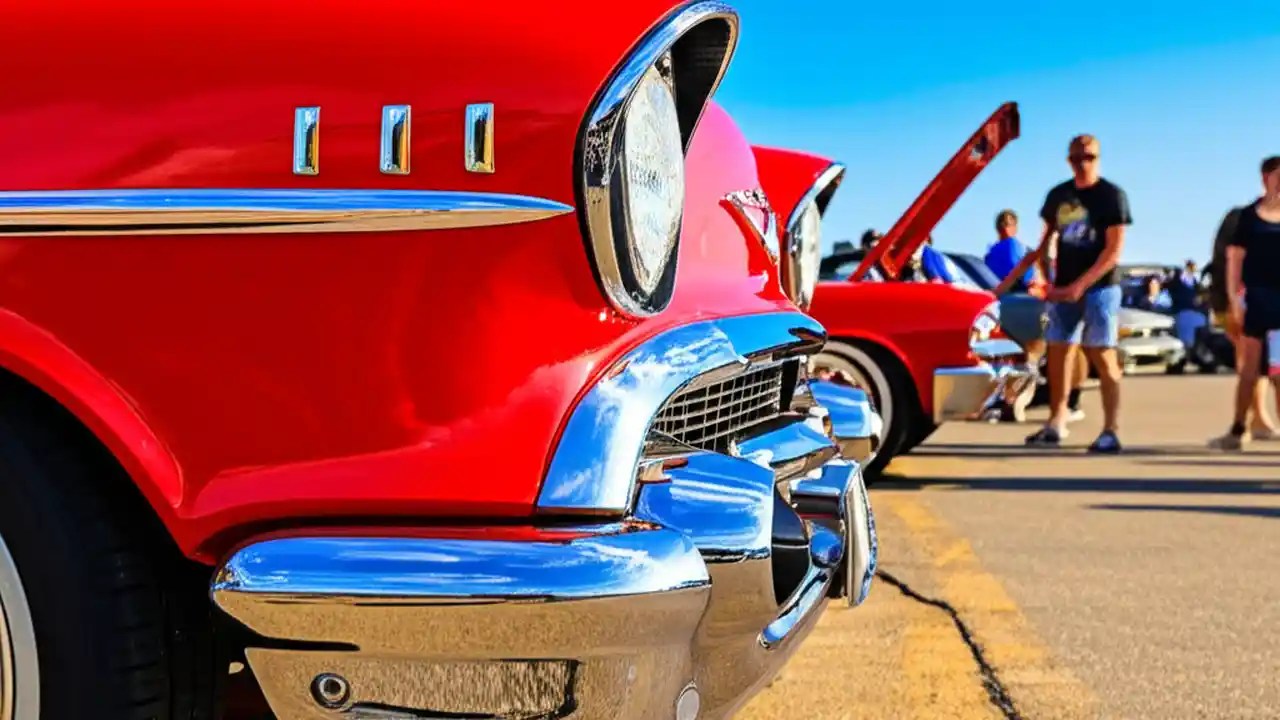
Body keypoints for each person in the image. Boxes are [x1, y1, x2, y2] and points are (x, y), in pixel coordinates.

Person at [1004, 135, 1131, 451]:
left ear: (1098, 158)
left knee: (1101, 351)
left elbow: (1113, 251)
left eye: (1088, 157)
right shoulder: (1059, 195)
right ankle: (1056, 420)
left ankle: (1110, 429)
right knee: (1059, 349)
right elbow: (1044, 242)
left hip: (1101, 285)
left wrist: (1081, 286)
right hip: (1064, 284)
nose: (1082, 163)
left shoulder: (1111, 196)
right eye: (1076, 158)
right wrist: (1043, 279)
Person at [1210, 156, 1280, 449]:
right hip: (1256, 300)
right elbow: (1233, 260)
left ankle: (1265, 423)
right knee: (1249, 369)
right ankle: (1239, 428)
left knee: (1278, 370)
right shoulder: (1247, 217)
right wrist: (1233, 301)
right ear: (1265, 178)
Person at [1167, 259, 1206, 350]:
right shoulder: (1180, 278)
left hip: (1191, 311)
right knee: (1185, 341)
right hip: (1183, 311)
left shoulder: (1193, 280)